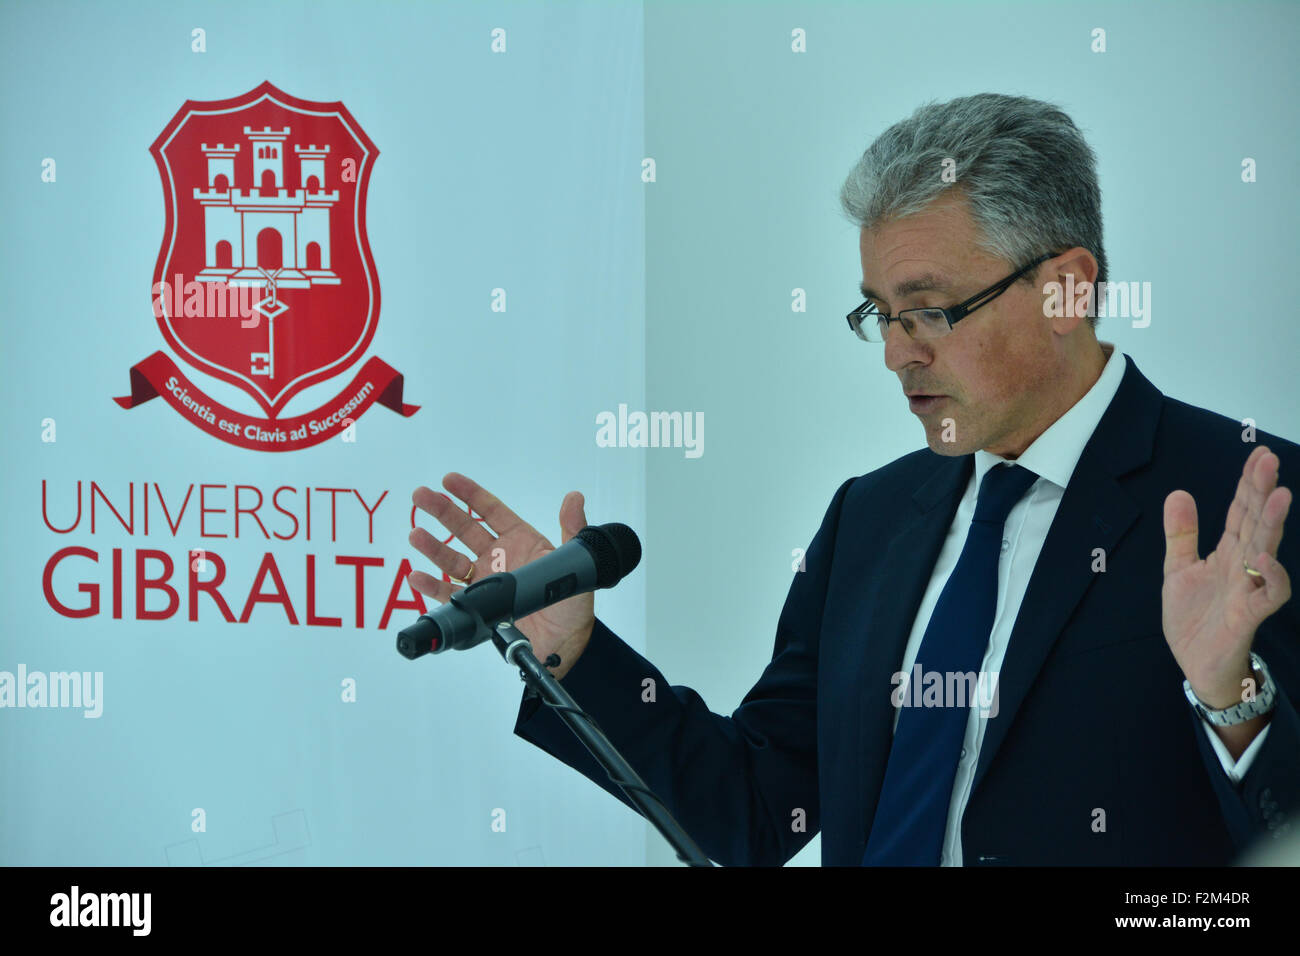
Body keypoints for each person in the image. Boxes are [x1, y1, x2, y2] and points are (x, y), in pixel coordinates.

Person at [406, 93, 1298, 866]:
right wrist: (576, 657)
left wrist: (1234, 702)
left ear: (1067, 289)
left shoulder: (1248, 505)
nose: (896, 355)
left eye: (930, 311)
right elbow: (760, 808)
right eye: (880, 313)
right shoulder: (872, 517)